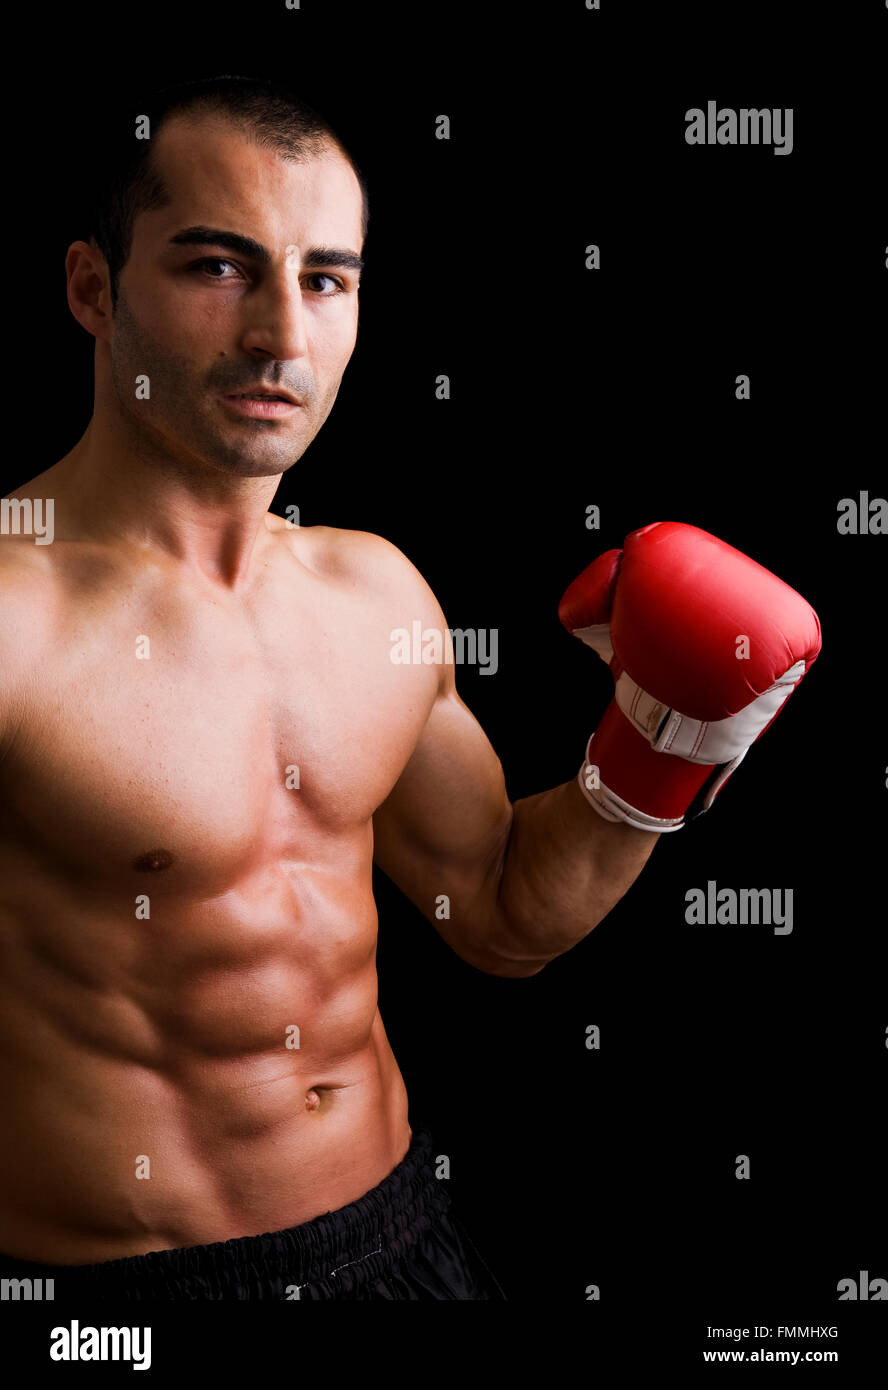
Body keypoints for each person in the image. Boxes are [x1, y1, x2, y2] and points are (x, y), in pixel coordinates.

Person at [0, 75, 821, 1301]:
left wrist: (665, 744)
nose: (282, 334)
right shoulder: (14, 620)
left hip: (402, 1246)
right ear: (92, 289)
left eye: (326, 280)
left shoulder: (376, 594)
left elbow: (498, 914)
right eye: (218, 267)